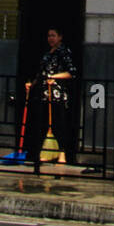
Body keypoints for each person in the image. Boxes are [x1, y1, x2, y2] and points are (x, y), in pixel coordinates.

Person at [26, 26, 77, 165]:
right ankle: (45, 152)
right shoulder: (47, 54)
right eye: (49, 35)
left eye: (53, 35)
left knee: (59, 123)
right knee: (44, 123)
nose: (51, 38)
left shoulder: (64, 52)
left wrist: (54, 76)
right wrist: (33, 83)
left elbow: (71, 72)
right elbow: (41, 72)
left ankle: (62, 154)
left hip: (57, 94)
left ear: (60, 37)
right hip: (44, 93)